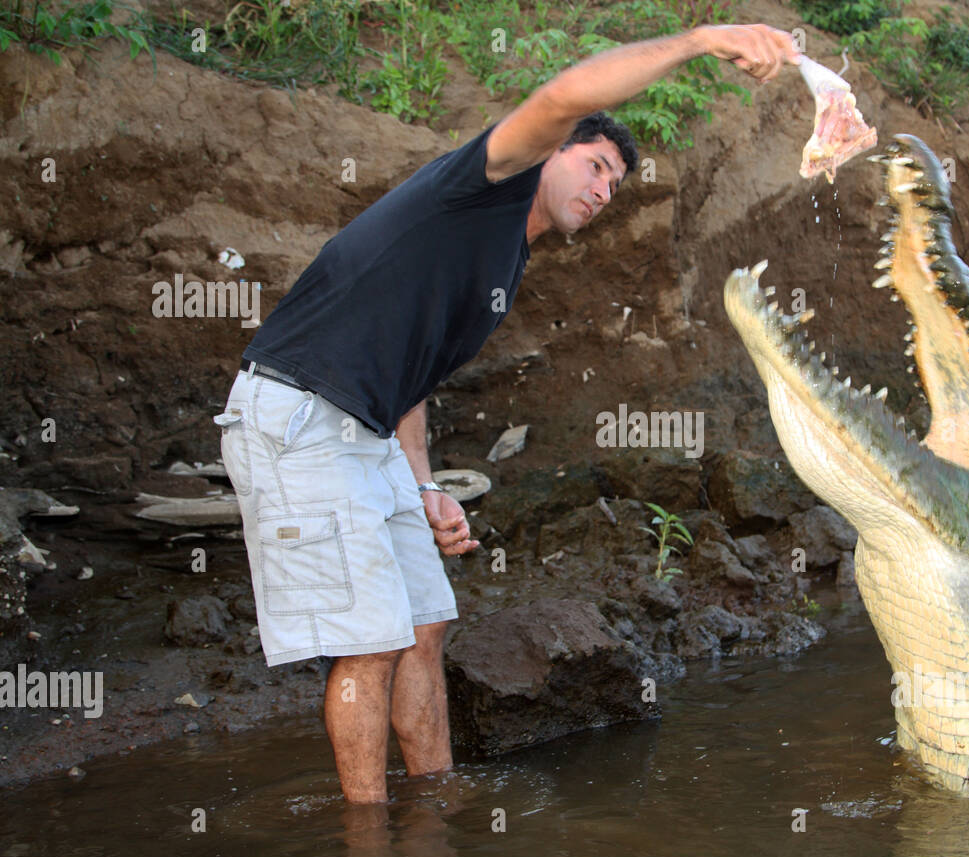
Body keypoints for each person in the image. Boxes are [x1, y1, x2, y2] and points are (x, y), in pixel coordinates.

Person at [214, 23, 801, 803]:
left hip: (368, 429)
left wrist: (424, 487)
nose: (602, 190)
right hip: (298, 413)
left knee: (424, 627)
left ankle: (433, 805)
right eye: (594, 166)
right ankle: (367, 839)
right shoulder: (482, 184)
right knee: (369, 646)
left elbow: (409, 376)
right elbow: (563, 94)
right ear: (553, 152)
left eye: (615, 185)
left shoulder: (507, 259)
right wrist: (701, 40)